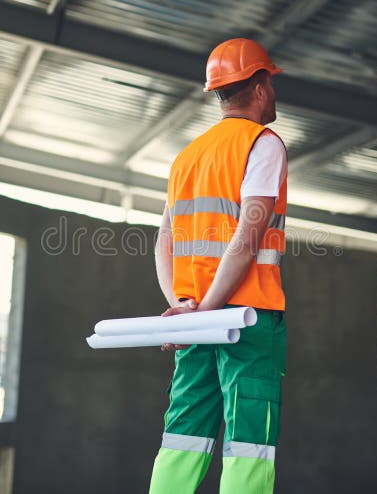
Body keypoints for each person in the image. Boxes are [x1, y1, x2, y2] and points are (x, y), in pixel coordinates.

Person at [148, 38, 288, 494]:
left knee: (182, 437)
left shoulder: (187, 156)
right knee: (250, 442)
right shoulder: (263, 144)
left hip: (196, 317)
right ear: (262, 86)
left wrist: (183, 308)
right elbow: (247, 238)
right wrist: (207, 310)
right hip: (246, 317)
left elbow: (163, 242)